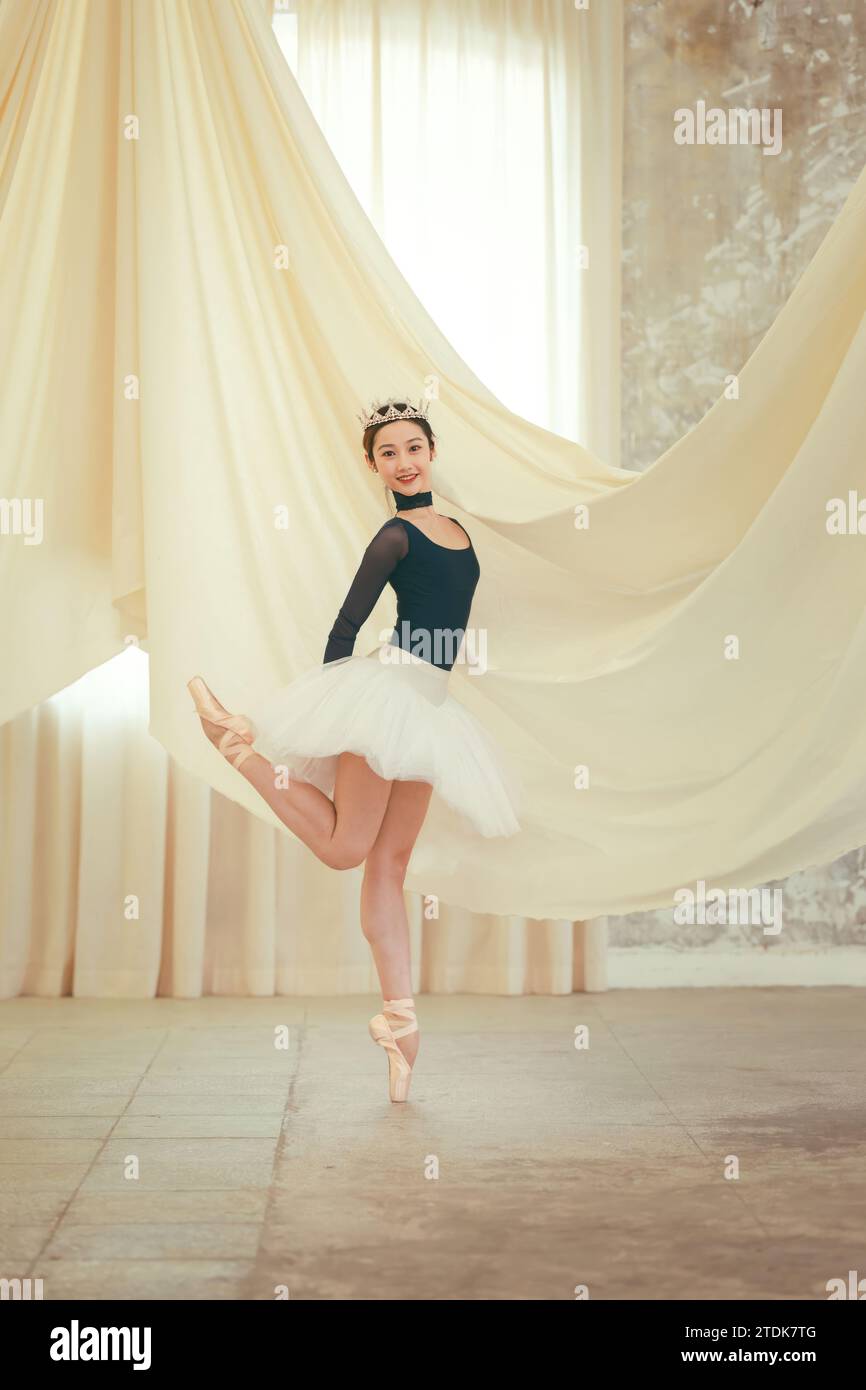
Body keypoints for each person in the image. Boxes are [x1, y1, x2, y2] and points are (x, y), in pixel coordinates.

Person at [187, 397, 521, 1101]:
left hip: (430, 710)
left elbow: (448, 625)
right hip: (389, 700)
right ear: (372, 465)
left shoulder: (457, 530)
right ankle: (238, 748)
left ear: (432, 451)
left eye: (413, 448)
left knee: (389, 867)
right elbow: (345, 629)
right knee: (346, 848)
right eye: (387, 454)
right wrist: (339, 707)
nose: (403, 463)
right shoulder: (393, 538)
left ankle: (399, 1021)